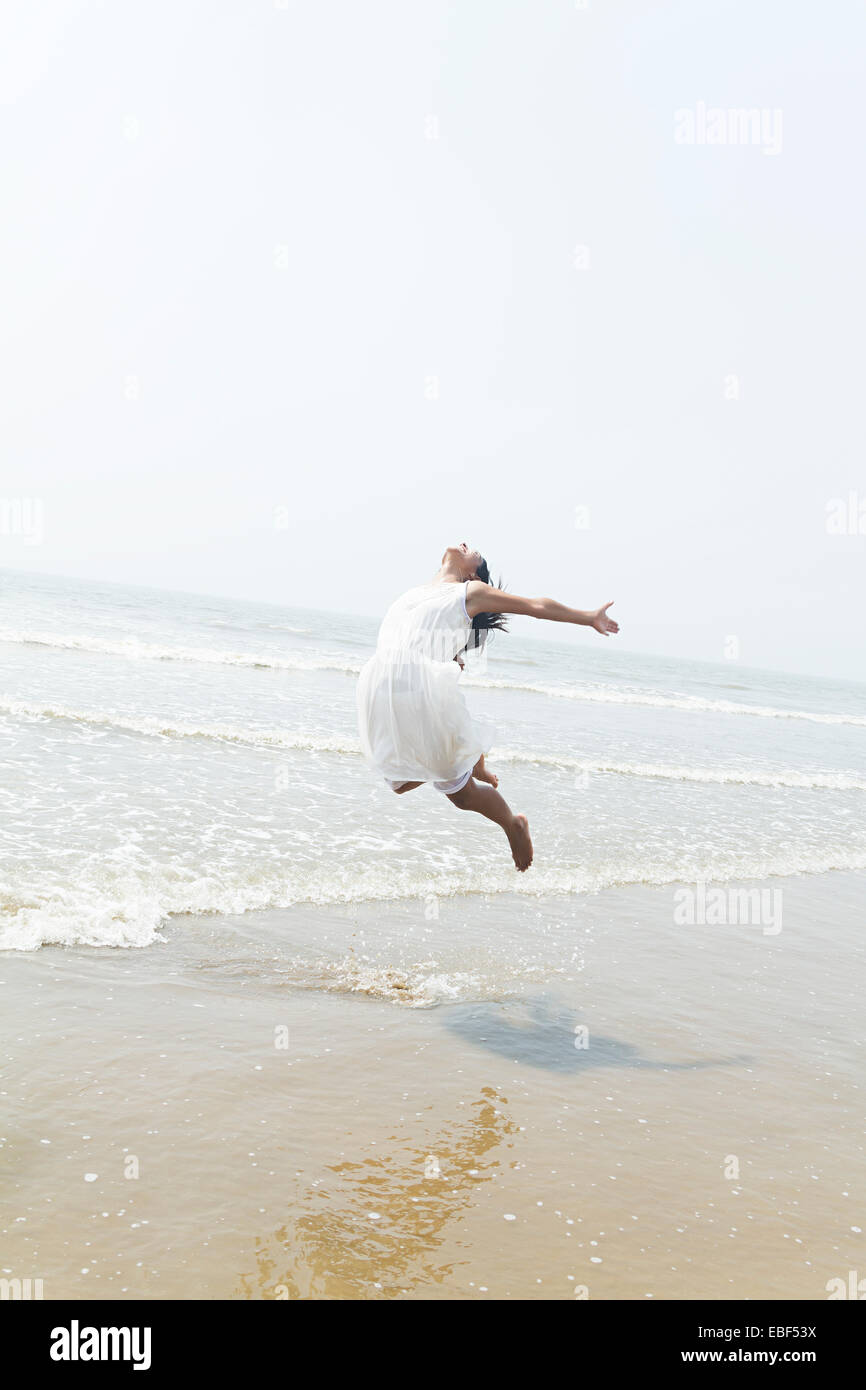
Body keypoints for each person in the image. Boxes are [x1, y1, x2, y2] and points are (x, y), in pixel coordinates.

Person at [356, 542, 619, 871]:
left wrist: (588, 617)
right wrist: (450, 654)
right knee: (398, 783)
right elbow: (420, 635)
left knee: (463, 795)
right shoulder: (417, 593)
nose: (468, 545)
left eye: (475, 553)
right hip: (382, 686)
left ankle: (512, 823)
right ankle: (468, 758)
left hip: (417, 689)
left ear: (471, 572)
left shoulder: (472, 592)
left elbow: (535, 605)